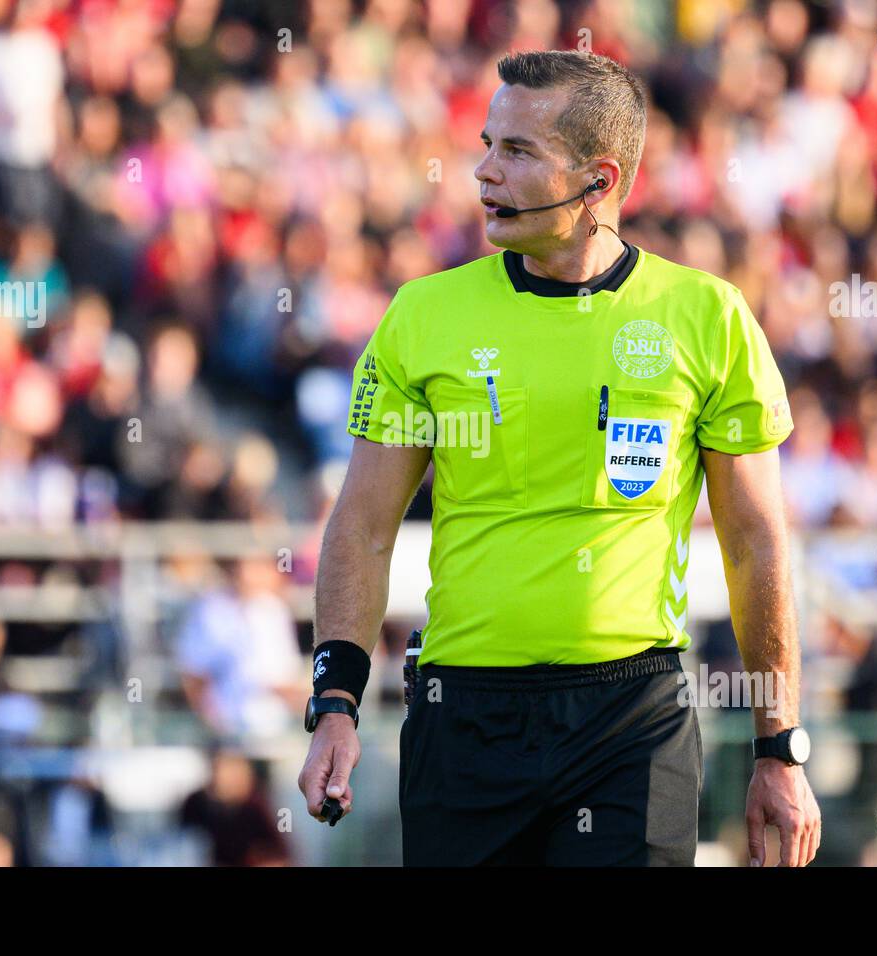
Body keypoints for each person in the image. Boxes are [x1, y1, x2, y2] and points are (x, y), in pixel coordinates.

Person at [298, 50, 821, 866]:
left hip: (631, 720)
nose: (483, 173)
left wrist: (779, 747)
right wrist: (335, 703)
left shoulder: (707, 317)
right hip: (461, 715)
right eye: (486, 144)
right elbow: (363, 526)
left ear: (599, 180)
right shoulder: (423, 315)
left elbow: (757, 544)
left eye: (517, 152)